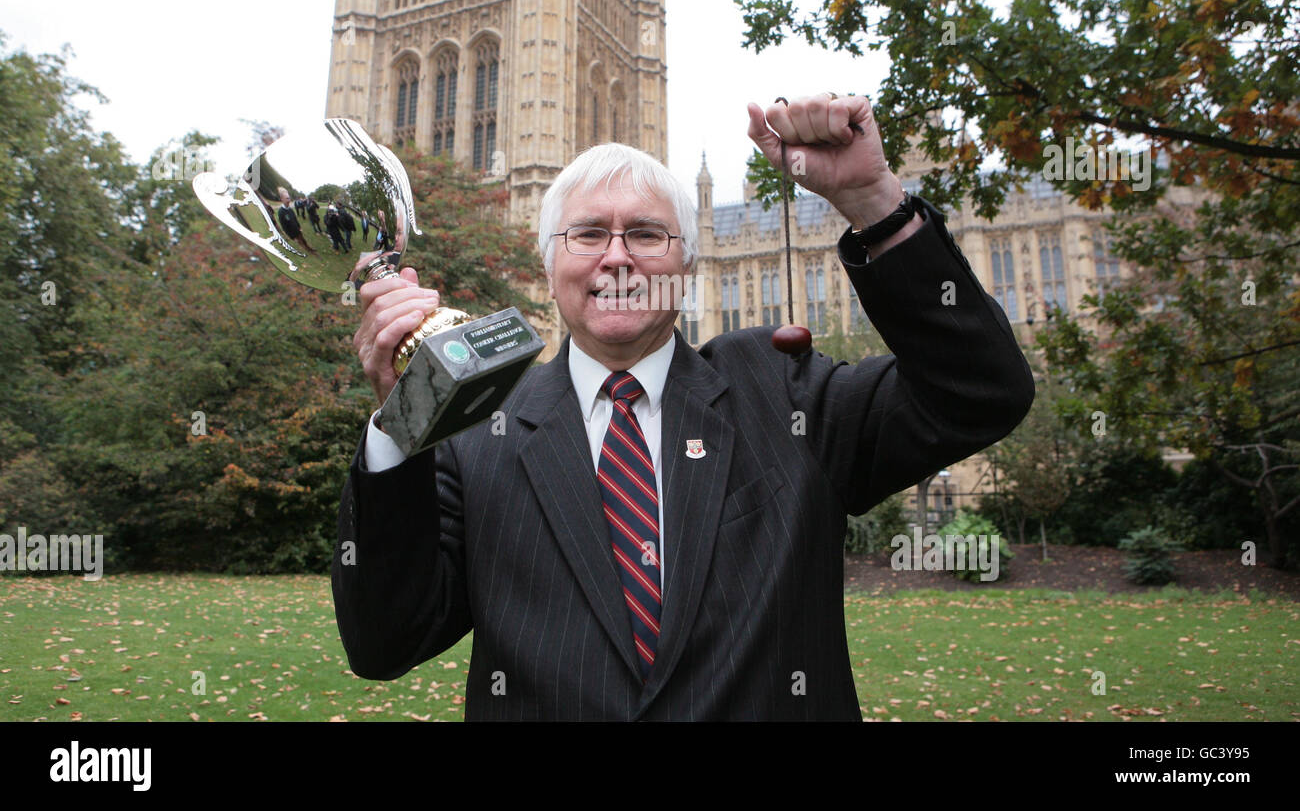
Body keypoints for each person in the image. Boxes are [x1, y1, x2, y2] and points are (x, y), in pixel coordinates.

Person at [331, 93, 1034, 720]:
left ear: (688, 268)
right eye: (587, 234)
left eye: (645, 234)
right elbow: (385, 643)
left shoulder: (783, 394)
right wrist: (402, 422)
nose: (616, 258)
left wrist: (875, 202)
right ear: (549, 263)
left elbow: (979, 393)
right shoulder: (478, 435)